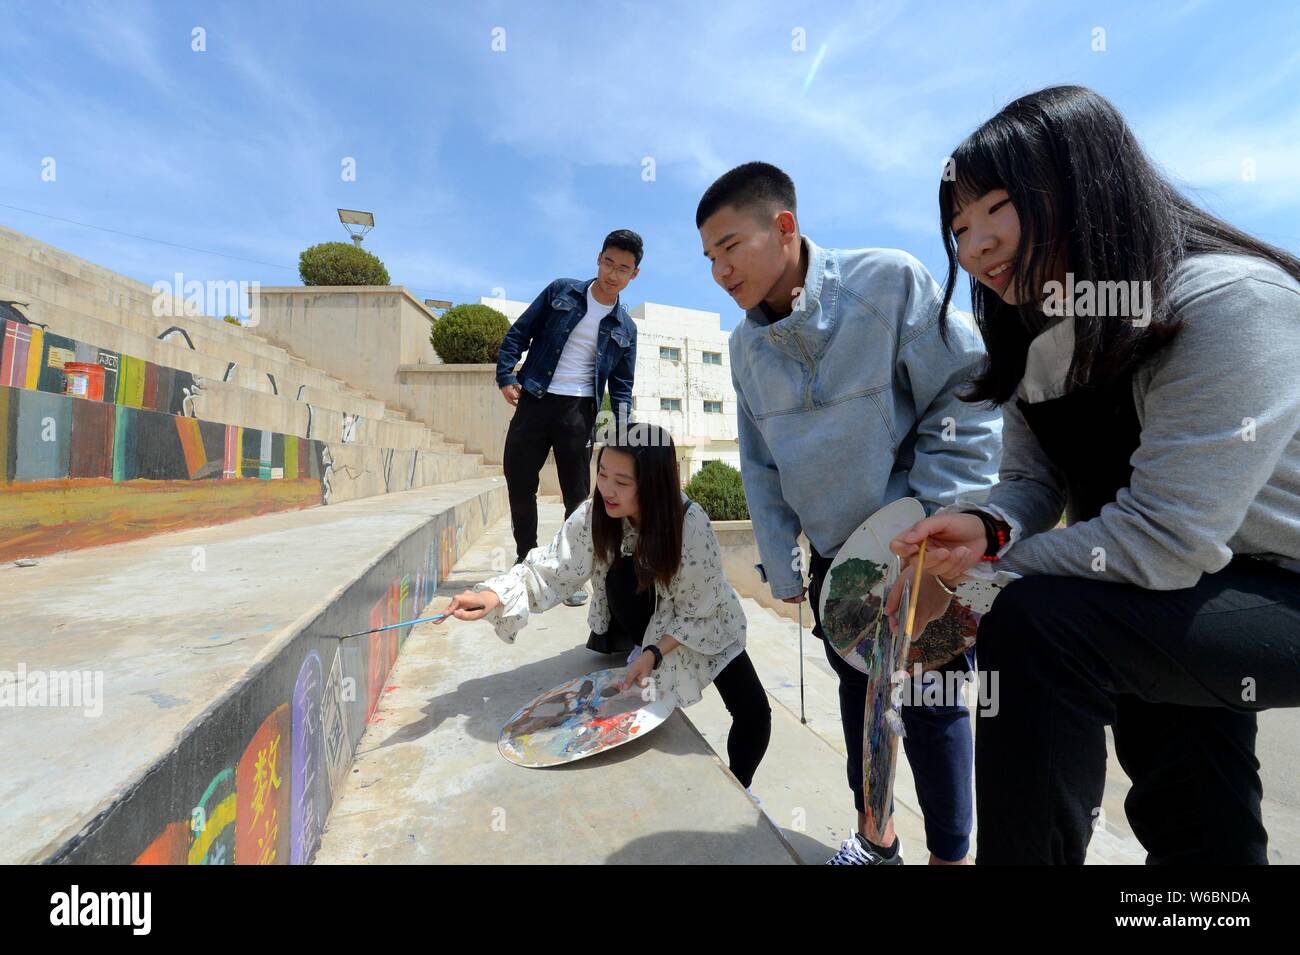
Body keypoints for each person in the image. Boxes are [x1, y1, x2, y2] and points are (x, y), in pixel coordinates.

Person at [888, 85, 1300, 864]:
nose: (973, 245)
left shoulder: (1228, 302)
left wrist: (986, 573)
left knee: (1040, 626)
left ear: (1084, 180)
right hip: (1176, 590)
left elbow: (1165, 538)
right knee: (1190, 797)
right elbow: (1032, 483)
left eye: (996, 209)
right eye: (958, 227)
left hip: (1269, 586)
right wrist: (986, 525)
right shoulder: (1035, 339)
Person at [697, 162, 1002, 864]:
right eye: (708, 257)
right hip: (837, 559)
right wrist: (780, 556)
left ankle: (951, 856)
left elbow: (965, 389)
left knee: (933, 706)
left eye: (730, 246)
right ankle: (877, 839)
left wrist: (935, 521)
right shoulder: (745, 348)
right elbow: (759, 459)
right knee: (862, 702)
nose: (719, 269)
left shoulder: (888, 282)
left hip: (921, 543)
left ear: (783, 227)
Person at [441, 422, 772, 790]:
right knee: (620, 574)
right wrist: (492, 596)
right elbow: (553, 566)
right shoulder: (594, 513)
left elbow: (698, 609)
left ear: (653, 485)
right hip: (643, 613)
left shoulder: (690, 525)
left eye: (622, 482)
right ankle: (634, 645)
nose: (607, 490)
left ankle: (740, 788)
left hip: (706, 619)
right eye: (601, 474)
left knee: (755, 712)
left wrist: (656, 653)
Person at [496, 229, 642, 607]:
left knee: (577, 498)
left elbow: (622, 386)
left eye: (623, 269)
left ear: (633, 275)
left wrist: (621, 433)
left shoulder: (626, 328)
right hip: (535, 399)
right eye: (609, 263)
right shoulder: (561, 291)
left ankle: (569, 573)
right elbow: (519, 333)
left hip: (579, 412)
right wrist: (506, 375)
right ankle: (526, 559)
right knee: (519, 479)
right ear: (598, 259)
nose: (613, 274)